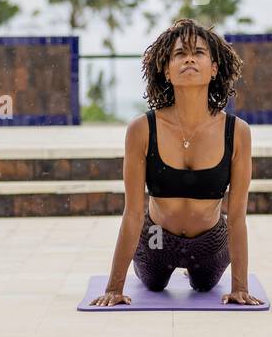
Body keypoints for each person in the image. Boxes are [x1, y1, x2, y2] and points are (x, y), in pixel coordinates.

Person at [90, 18, 263, 306]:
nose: (189, 59)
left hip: (211, 242)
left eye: (199, 53)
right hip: (156, 239)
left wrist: (240, 286)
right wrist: (114, 288)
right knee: (154, 285)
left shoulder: (238, 132)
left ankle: (198, 272)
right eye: (180, 54)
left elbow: (236, 216)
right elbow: (133, 212)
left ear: (214, 68)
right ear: (167, 71)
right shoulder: (141, 130)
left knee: (204, 286)